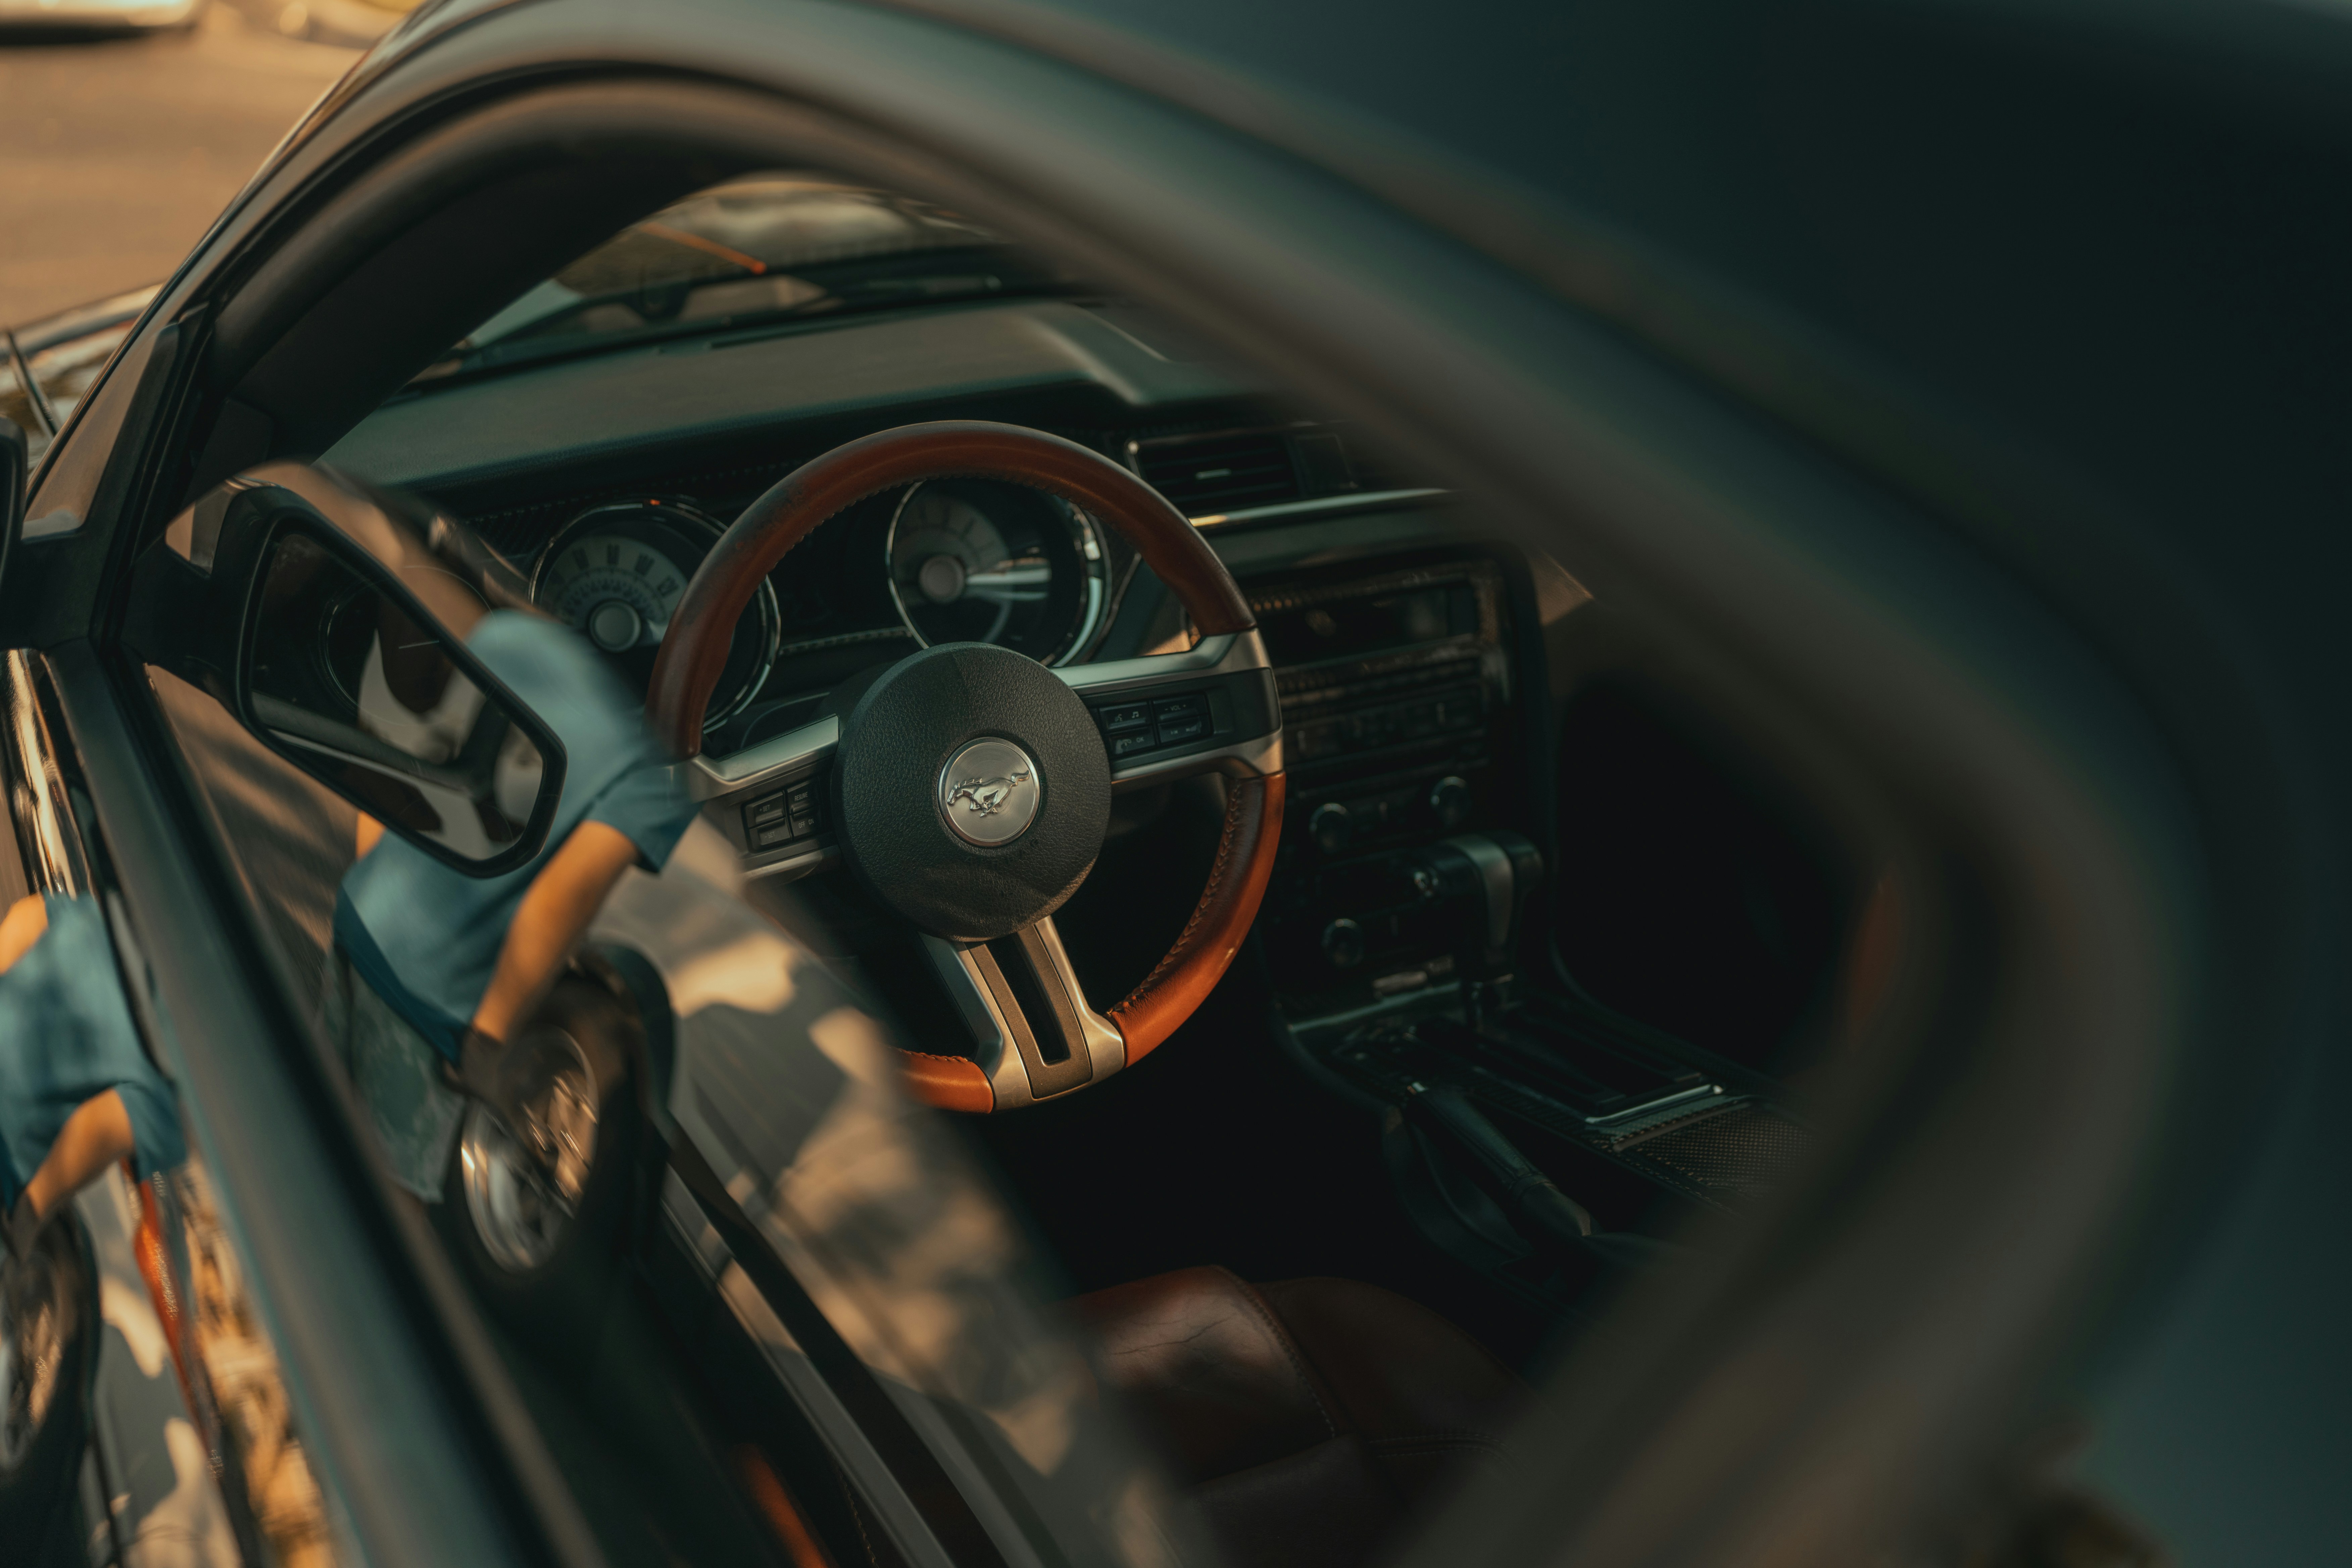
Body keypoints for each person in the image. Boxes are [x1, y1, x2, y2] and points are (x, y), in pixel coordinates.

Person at [325, 595, 698, 1202]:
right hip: (432, 996)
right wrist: (485, 1042)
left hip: (366, 918)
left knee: (310, 1119)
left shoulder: (510, 638)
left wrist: (373, 880)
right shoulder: (652, 778)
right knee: (378, 1204)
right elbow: (560, 903)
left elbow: (402, 761)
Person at [0, 891, 185, 1263]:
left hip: (171, 1027)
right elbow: (30, 915)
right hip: (117, 914)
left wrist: (27, 1220)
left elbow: (108, 1123)